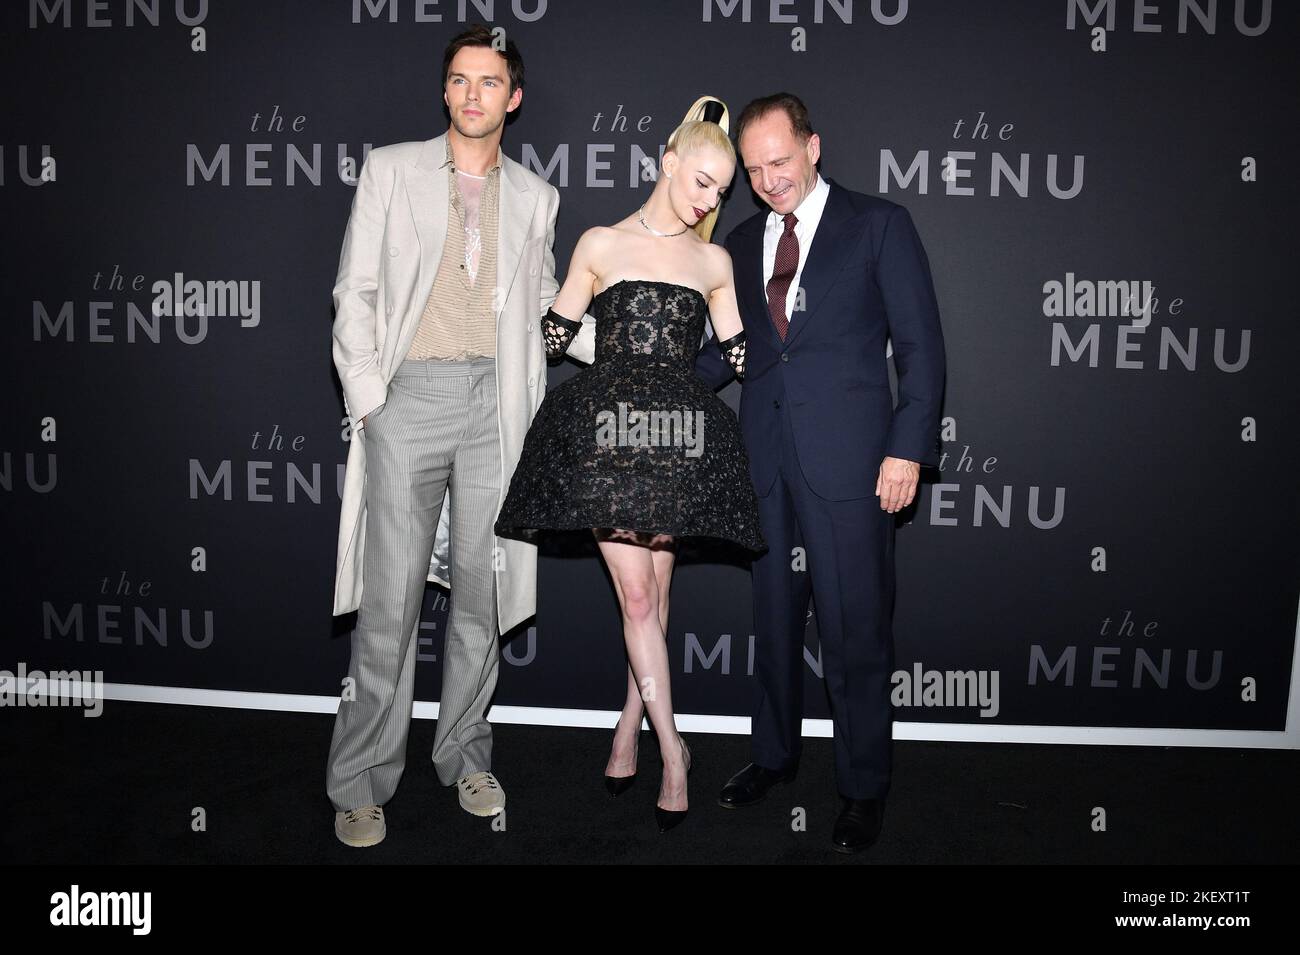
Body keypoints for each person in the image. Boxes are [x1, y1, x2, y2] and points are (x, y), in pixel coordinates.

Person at [326, 25, 595, 848]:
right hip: (409, 397)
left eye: (489, 82)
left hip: (495, 408)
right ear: (444, 92)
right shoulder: (390, 169)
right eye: (458, 80)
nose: (472, 94)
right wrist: (373, 403)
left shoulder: (537, 197)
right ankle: (361, 778)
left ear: (513, 97)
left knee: (483, 593)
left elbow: (551, 304)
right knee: (392, 603)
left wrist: (628, 340)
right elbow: (355, 291)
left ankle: (466, 752)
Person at [493, 96, 765, 832]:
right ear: (668, 162)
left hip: (677, 439)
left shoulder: (712, 260)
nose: (711, 197)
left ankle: (626, 723)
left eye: (721, 188)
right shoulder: (600, 243)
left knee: (657, 599)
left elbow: (740, 355)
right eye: (702, 179)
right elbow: (555, 338)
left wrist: (798, 331)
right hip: (607, 437)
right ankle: (673, 749)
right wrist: (544, 300)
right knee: (640, 601)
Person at [694, 93, 946, 853]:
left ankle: (863, 784)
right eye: (755, 168)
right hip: (765, 464)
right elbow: (724, 355)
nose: (770, 180)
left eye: (781, 161)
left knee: (855, 632)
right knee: (772, 626)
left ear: (813, 147)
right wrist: (645, 383)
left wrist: (908, 448)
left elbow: (922, 349)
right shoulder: (737, 245)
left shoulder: (879, 224)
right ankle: (772, 756)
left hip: (856, 468)